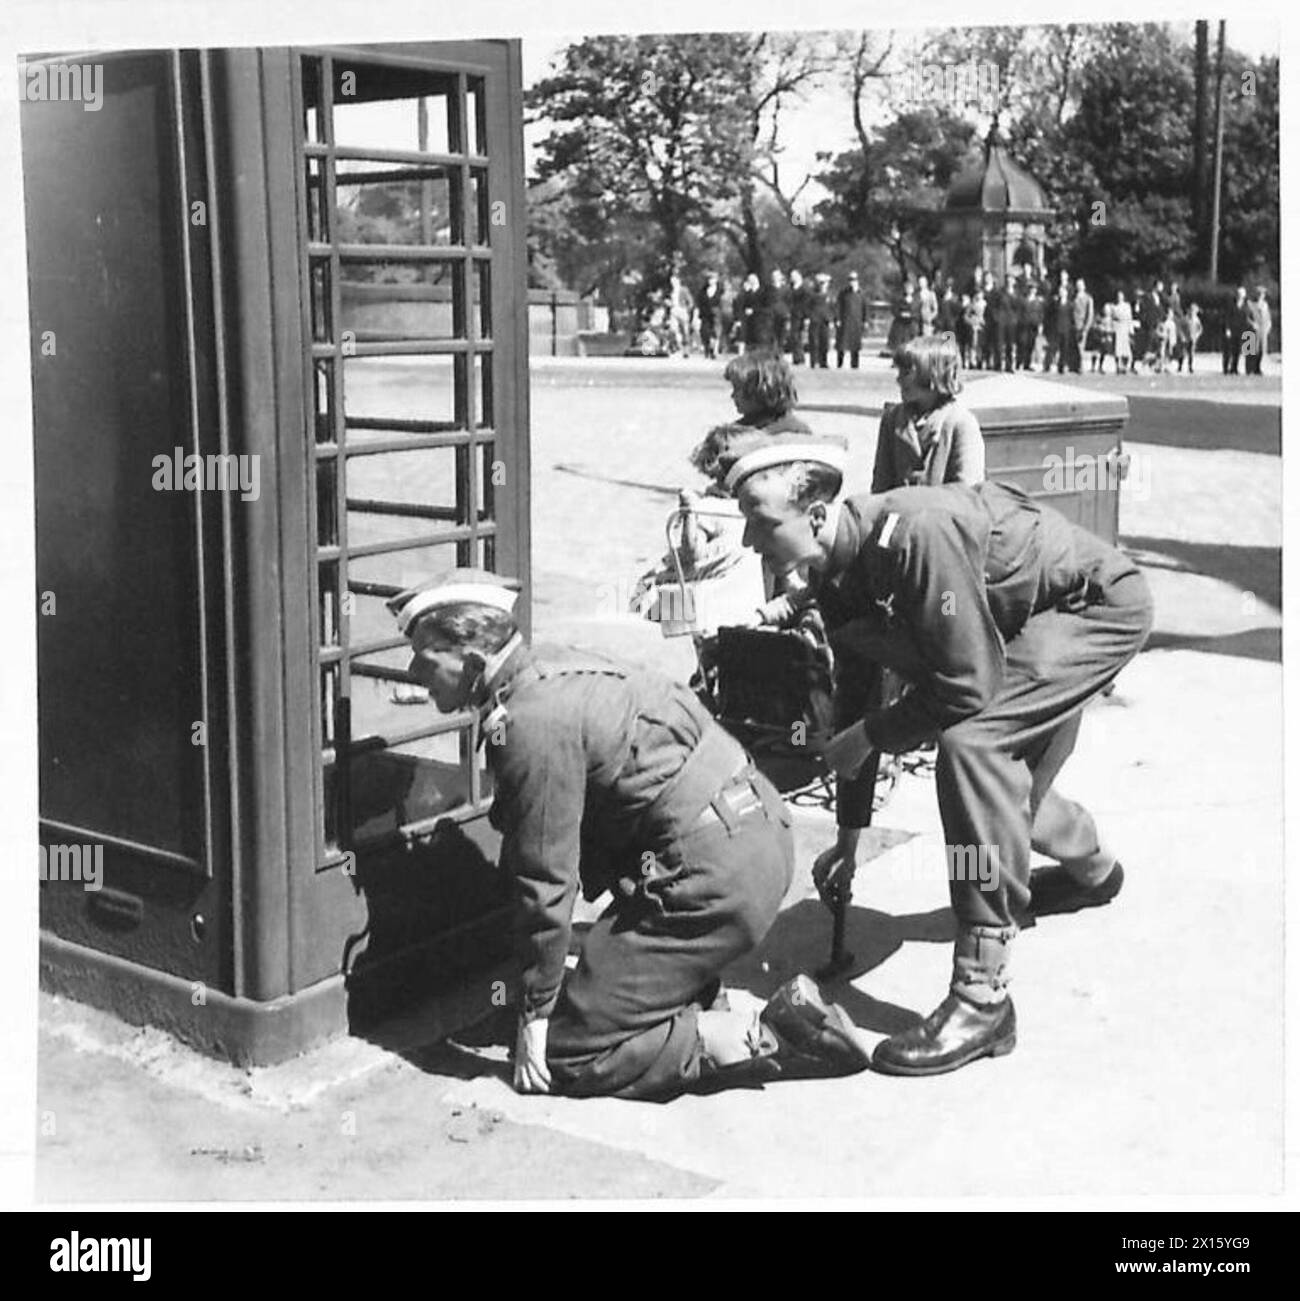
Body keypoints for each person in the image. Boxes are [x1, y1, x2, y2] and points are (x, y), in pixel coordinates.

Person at [726, 445, 1154, 1077]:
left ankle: (983, 1000)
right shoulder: (838, 578)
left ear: (816, 516)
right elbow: (856, 702)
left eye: (760, 520)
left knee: (973, 746)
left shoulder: (916, 536)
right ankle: (1096, 870)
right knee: (1003, 790)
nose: (747, 538)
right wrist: (850, 841)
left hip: (1091, 610)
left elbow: (966, 688)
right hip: (1021, 625)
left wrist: (875, 733)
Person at [390, 569, 871, 1101]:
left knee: (569, 1054)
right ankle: (683, 991)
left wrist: (536, 1014)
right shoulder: (551, 665)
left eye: (424, 655)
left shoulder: (528, 721)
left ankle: (764, 1033)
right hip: (758, 832)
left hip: (714, 878)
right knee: (601, 985)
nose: (414, 671)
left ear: (474, 660)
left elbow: (546, 879)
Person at [874, 333, 985, 491]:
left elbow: (968, 494)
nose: (898, 380)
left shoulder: (960, 423)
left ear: (933, 375)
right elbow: (881, 487)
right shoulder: (893, 419)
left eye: (906, 373)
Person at [836, 271, 867, 369]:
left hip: (856, 323)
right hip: (845, 321)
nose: (852, 282)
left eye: (854, 280)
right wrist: (838, 318)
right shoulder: (843, 293)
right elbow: (838, 306)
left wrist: (865, 321)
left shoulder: (861, 294)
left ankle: (855, 365)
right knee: (842, 345)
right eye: (850, 280)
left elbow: (865, 308)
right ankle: (839, 364)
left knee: (855, 345)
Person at [696, 270, 725, 361]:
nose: (710, 281)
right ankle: (707, 350)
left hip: (716, 314)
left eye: (712, 279)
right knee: (705, 332)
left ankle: (715, 351)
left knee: (716, 332)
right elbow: (699, 302)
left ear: (716, 280)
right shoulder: (703, 291)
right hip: (705, 314)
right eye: (709, 279)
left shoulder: (720, 290)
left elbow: (722, 302)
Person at [806, 272, 834, 368]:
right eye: (821, 283)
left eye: (825, 283)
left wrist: (831, 320)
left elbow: (832, 308)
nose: (823, 285)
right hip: (815, 320)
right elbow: (807, 307)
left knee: (824, 342)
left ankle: (823, 362)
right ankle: (814, 361)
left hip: (825, 321)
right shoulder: (812, 295)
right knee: (814, 342)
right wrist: (808, 317)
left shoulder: (830, 295)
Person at [787, 269, 812, 365]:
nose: (792, 278)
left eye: (794, 276)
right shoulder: (790, 288)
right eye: (791, 276)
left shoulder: (805, 289)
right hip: (793, 315)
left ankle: (800, 357)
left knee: (799, 337)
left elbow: (807, 303)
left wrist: (806, 316)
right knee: (794, 336)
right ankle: (796, 357)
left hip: (801, 316)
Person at [1245, 287, 1272, 376]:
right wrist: (1252, 324)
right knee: (1250, 350)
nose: (1261, 296)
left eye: (1262, 294)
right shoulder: (1250, 304)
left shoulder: (1265, 305)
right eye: (1259, 294)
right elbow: (1246, 317)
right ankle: (1249, 370)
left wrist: (1268, 325)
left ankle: (1257, 368)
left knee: (1261, 350)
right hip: (1251, 330)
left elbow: (1268, 317)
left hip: (1262, 330)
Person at [1222, 286, 1249, 374]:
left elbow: (1246, 318)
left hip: (1241, 330)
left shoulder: (1246, 305)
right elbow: (1227, 317)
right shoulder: (1230, 303)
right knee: (1228, 351)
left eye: (1241, 294)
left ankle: (1234, 368)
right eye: (1238, 294)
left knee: (1237, 351)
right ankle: (1226, 369)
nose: (1240, 296)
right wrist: (1227, 329)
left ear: (1244, 295)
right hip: (1231, 330)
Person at [1070, 279, 1095, 374]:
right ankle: (1073, 366)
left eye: (1081, 285)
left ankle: (1081, 367)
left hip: (1082, 326)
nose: (1079, 287)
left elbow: (1090, 314)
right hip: (1073, 325)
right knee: (1074, 347)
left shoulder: (1088, 298)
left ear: (1084, 286)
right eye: (1077, 285)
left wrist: (1086, 327)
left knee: (1081, 347)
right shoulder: (1073, 297)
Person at [1112, 291, 1134, 374]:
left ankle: (1124, 366)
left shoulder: (1126, 306)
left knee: (1126, 349)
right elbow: (1113, 318)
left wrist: (1130, 329)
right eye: (1118, 296)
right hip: (1118, 328)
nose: (1119, 298)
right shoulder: (1114, 307)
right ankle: (1118, 366)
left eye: (1121, 296)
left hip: (1125, 328)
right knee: (1118, 348)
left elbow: (1129, 318)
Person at [1177, 302, 1203, 373]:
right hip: (1185, 338)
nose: (1193, 312)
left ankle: (1190, 367)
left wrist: (1197, 335)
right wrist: (1182, 336)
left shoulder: (1196, 320)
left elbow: (1200, 328)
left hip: (1193, 338)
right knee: (1182, 353)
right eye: (1192, 310)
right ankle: (1180, 366)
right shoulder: (1185, 319)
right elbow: (1180, 328)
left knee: (1191, 354)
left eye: (1194, 311)